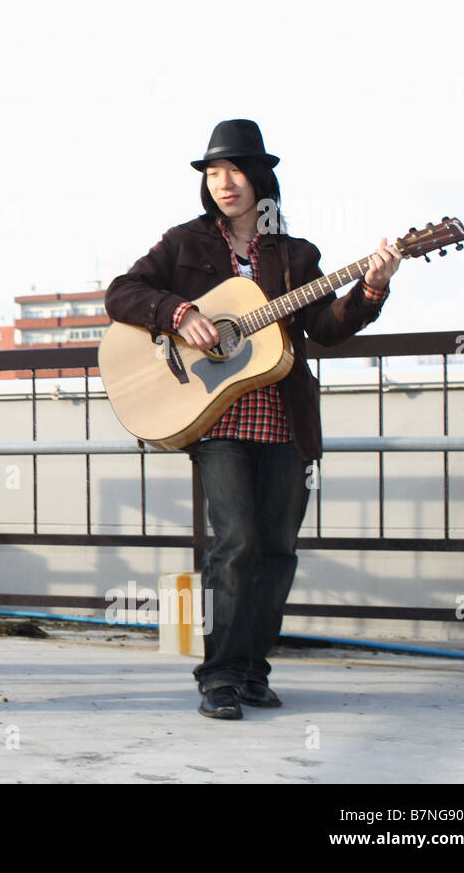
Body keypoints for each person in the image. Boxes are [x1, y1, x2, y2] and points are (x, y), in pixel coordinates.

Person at [104, 119, 402, 720]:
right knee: (235, 543)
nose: (224, 183)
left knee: (276, 551)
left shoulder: (296, 257)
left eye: (235, 170)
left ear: (261, 179)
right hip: (215, 420)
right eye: (213, 172)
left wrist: (370, 289)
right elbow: (121, 293)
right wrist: (177, 312)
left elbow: (324, 328)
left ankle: (252, 668)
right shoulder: (185, 244)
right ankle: (217, 675)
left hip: (284, 421)